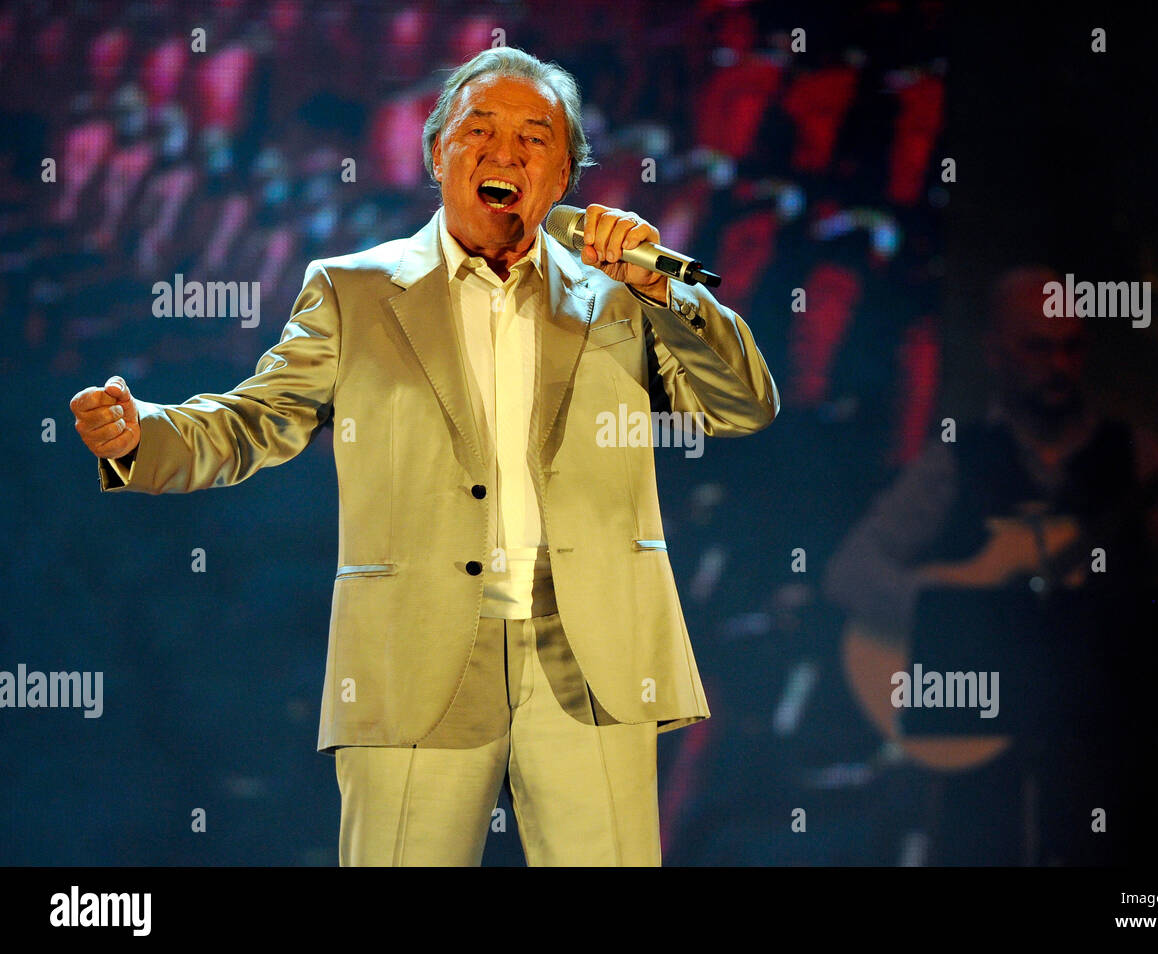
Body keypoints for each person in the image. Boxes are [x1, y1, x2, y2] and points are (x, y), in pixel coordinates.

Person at [68, 47, 779, 867]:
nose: (504, 152)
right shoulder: (354, 293)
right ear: (435, 151)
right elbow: (258, 419)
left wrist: (669, 293)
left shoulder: (621, 296)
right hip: (416, 655)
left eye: (533, 137)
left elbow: (742, 404)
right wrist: (144, 434)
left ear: (567, 176)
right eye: (479, 129)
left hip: (593, 663)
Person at [823, 266, 1158, 865]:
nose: (1059, 366)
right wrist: (957, 608)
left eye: (1071, 346)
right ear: (994, 349)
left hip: (1110, 779)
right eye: (1037, 347)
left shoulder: (1138, 457)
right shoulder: (955, 459)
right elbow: (849, 572)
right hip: (987, 784)